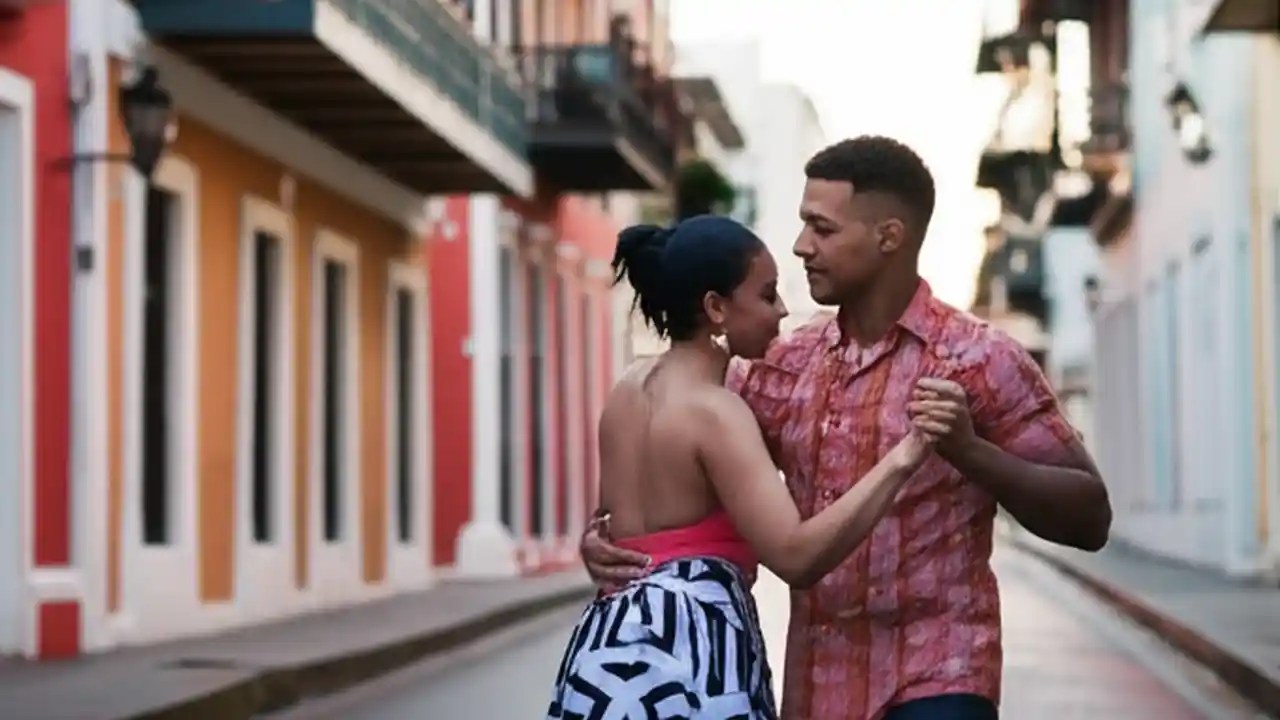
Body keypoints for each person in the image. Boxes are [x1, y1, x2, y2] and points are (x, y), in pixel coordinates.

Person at [581, 137, 1113, 720]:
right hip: (819, 688)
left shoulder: (981, 359)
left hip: (941, 674)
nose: (802, 246)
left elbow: (1089, 517)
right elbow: (681, 452)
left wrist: (969, 451)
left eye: (823, 229)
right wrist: (609, 535)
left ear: (888, 237)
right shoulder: (780, 367)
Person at [546, 215, 965, 720]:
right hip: (689, 656)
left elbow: (614, 526)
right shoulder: (716, 411)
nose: (783, 310)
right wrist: (905, 456)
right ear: (715, 308)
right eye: (767, 295)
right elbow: (795, 555)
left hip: (605, 653)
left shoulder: (628, 389)